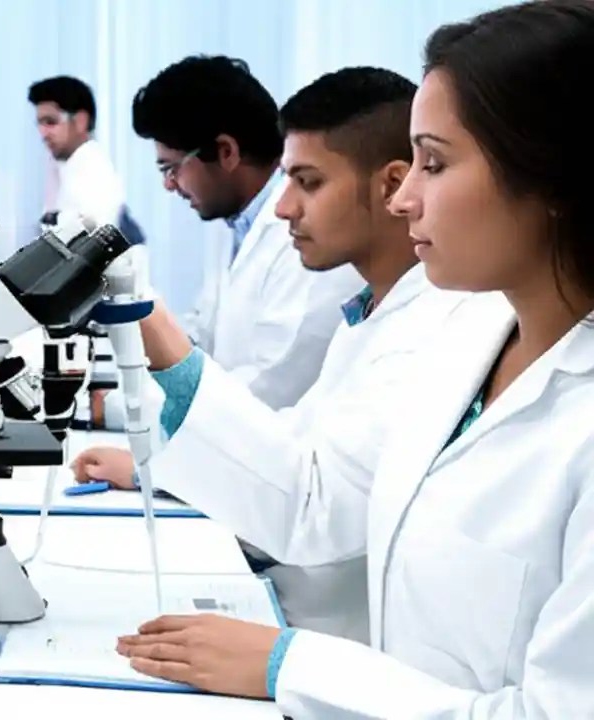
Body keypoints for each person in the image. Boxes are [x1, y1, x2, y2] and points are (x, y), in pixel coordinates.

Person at [109, 1, 594, 714]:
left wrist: (291, 665)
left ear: (550, 177)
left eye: (434, 162)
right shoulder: (466, 344)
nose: (405, 199)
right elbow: (321, 480)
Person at [73, 67, 471, 644]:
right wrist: (151, 466)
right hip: (292, 594)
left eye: (307, 183)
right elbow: (293, 438)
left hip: (329, 631)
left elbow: (309, 503)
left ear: (391, 187)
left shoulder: (425, 325)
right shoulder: (372, 311)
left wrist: (155, 332)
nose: (283, 209)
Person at [95, 56, 363, 431]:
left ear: (226, 152)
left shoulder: (309, 234)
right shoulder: (237, 224)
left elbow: (271, 391)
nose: (169, 185)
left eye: (172, 168)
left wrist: (114, 409)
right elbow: (201, 344)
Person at [29, 75, 144, 244]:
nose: (43, 133)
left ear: (81, 121)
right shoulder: (66, 169)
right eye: (40, 124)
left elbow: (90, 248)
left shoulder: (94, 173)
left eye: (51, 122)